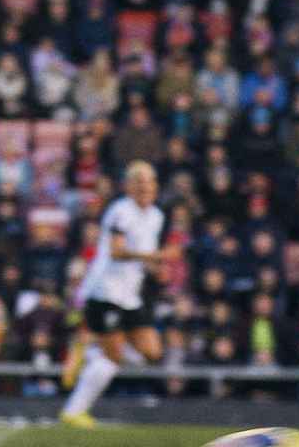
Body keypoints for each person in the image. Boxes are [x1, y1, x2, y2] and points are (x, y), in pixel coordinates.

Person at [59, 160, 174, 428]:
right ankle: (74, 411)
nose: (145, 186)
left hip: (130, 295)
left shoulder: (156, 216)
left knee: (152, 352)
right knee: (114, 358)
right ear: (129, 186)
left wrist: (157, 268)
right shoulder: (121, 210)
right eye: (139, 181)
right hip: (104, 291)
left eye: (149, 181)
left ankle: (88, 350)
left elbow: (142, 257)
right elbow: (116, 251)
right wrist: (155, 256)